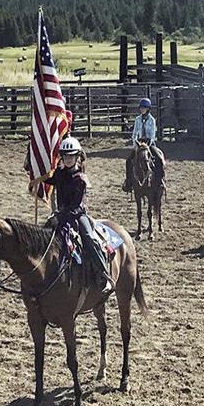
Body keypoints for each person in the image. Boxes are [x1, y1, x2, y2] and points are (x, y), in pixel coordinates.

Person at [44, 137, 112, 297]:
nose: (68, 159)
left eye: (71, 156)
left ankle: (103, 274)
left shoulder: (80, 178)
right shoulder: (60, 173)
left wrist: (62, 215)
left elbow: (77, 205)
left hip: (77, 215)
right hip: (61, 215)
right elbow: (48, 179)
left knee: (89, 238)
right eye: (65, 156)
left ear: (77, 157)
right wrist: (36, 172)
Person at [123, 97, 165, 193]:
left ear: (148, 109)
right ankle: (128, 182)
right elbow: (135, 133)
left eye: (144, 108)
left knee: (158, 159)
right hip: (139, 143)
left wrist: (147, 145)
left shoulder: (152, 120)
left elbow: (152, 135)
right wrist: (135, 144)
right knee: (128, 161)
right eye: (141, 108)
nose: (142, 109)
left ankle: (160, 180)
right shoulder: (137, 119)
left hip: (149, 143)